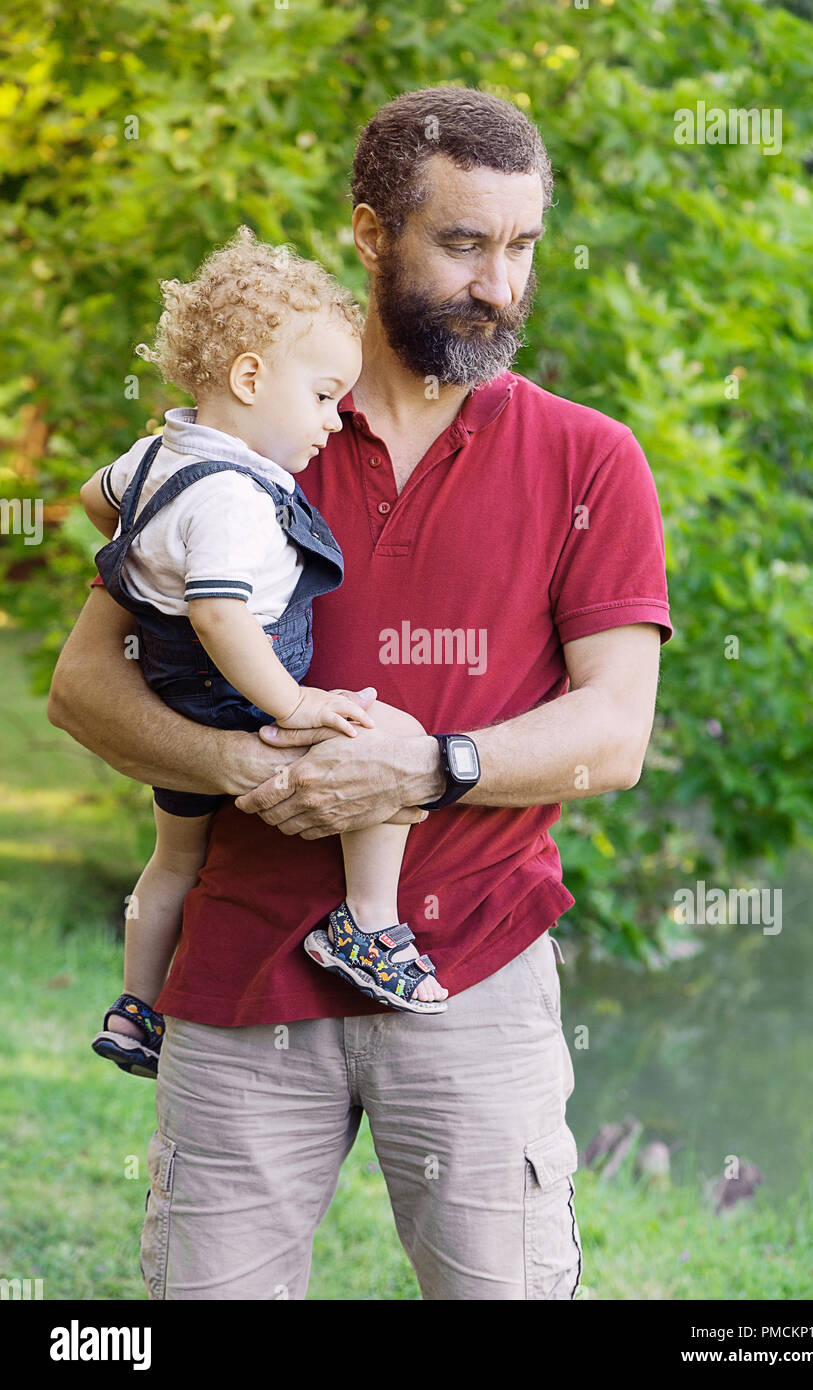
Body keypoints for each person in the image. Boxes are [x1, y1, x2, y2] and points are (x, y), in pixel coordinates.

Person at [49, 85, 673, 1300]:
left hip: (470, 979)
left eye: (522, 246)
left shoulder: (588, 460)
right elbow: (82, 689)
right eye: (461, 243)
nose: (498, 282)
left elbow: (615, 732)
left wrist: (430, 767)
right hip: (234, 980)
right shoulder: (247, 441)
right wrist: (246, 769)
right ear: (371, 233)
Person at [82, 231, 449, 1080]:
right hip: (231, 694)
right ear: (250, 380)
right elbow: (219, 615)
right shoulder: (234, 499)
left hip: (172, 697)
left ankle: (136, 1007)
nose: (333, 420)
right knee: (390, 740)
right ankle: (367, 922)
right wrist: (294, 705)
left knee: (174, 857)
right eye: (323, 397)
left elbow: (97, 499)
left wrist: (147, 558)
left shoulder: (156, 456)